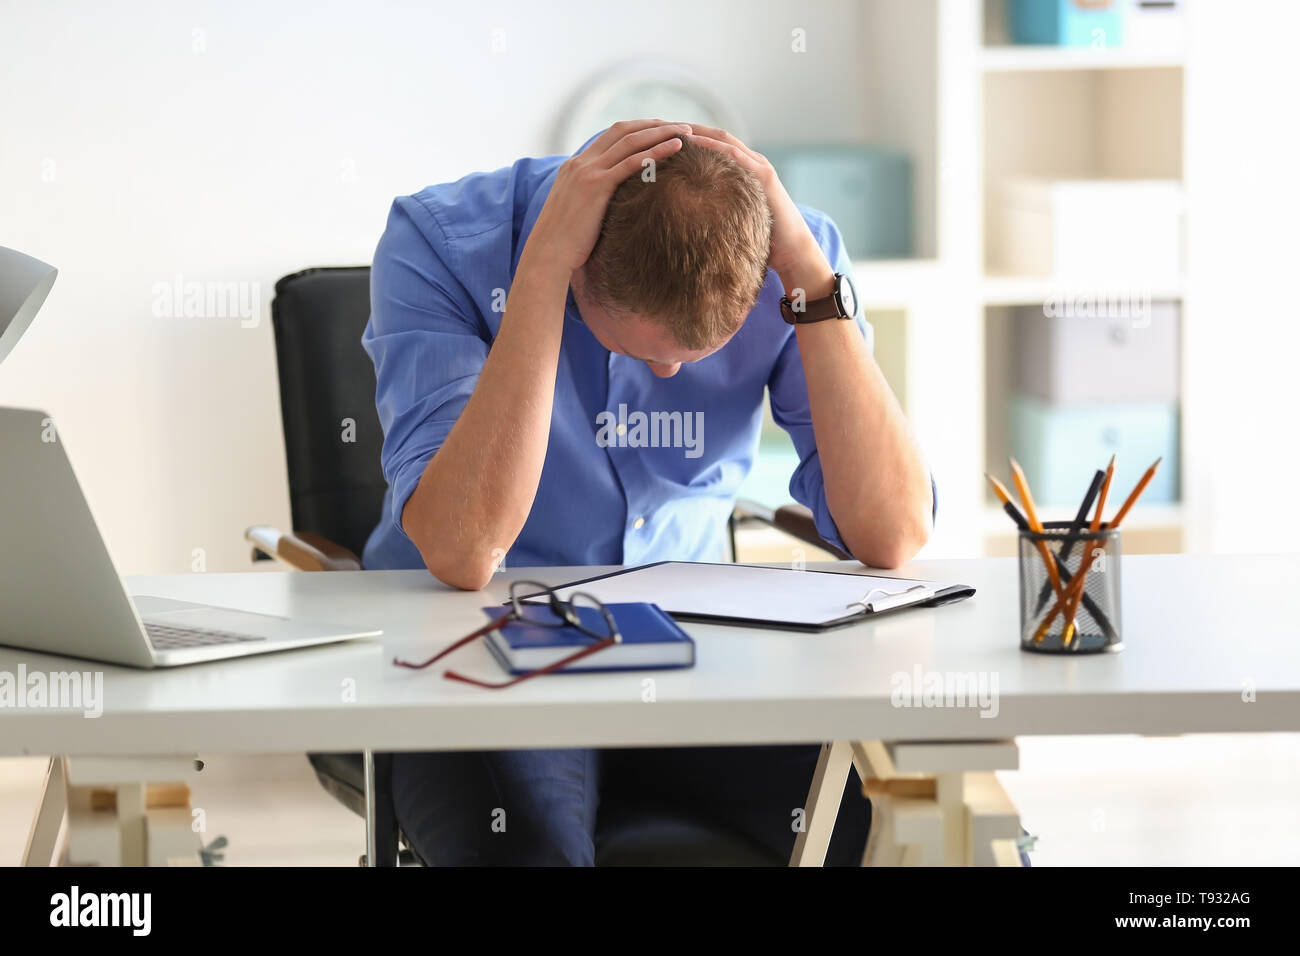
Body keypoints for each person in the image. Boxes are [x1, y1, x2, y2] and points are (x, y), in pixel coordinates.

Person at [362, 121, 934, 865]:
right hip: (482, 650)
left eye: (692, 359)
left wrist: (811, 284)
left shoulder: (797, 256)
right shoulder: (437, 241)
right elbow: (466, 549)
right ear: (579, 267)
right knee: (526, 847)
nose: (667, 378)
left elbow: (891, 534)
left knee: (902, 820)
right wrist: (540, 274)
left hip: (694, 656)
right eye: (635, 348)